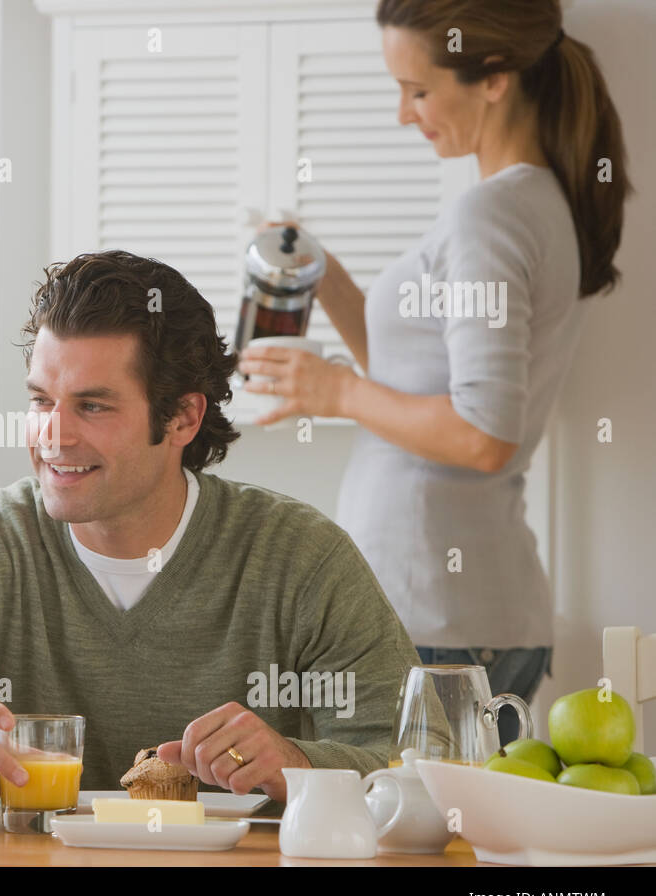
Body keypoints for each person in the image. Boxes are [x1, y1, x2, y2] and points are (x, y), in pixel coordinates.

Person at [0, 250, 428, 817]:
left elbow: (421, 760)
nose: (53, 436)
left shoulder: (302, 558)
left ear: (182, 417)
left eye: (92, 406)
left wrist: (297, 767)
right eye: (40, 401)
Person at [237, 0, 630, 744]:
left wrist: (334, 391)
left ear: (494, 78)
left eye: (418, 90)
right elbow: (420, 382)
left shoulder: (491, 216)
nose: (403, 114)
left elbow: (484, 434)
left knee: (411, 854)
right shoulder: (526, 206)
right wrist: (330, 279)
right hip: (457, 615)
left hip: (438, 624)